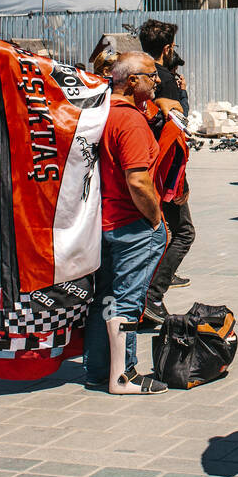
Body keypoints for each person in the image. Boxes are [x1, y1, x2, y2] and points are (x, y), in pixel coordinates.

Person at [82, 51, 170, 393]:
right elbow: (137, 180)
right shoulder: (130, 121)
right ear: (132, 81)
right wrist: (155, 219)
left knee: (104, 297)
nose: (158, 79)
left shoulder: (103, 112)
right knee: (127, 300)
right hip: (131, 223)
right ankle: (123, 376)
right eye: (152, 74)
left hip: (103, 222)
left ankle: (98, 370)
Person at [137, 19, 195, 324]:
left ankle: (141, 296)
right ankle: (152, 296)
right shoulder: (164, 79)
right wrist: (182, 95)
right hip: (166, 169)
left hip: (141, 166)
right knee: (183, 232)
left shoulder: (139, 76)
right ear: (168, 48)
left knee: (153, 232)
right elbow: (178, 124)